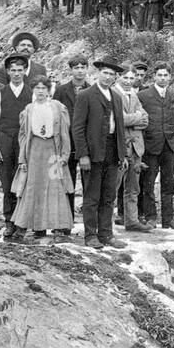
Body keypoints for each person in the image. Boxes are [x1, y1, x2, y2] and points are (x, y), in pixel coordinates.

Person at [71, 58, 129, 249]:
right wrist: (83, 155)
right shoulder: (85, 95)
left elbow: (120, 128)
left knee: (109, 195)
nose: (108, 77)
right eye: (105, 73)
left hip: (112, 151)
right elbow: (78, 128)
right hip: (93, 152)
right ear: (98, 73)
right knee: (92, 195)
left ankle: (106, 234)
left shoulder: (117, 97)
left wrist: (122, 155)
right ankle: (90, 235)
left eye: (112, 74)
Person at [8, 78, 74, 242]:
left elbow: (65, 133)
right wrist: (22, 158)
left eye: (44, 88)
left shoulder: (58, 107)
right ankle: (34, 226)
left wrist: (64, 156)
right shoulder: (28, 109)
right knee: (32, 187)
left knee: (55, 186)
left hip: (53, 150)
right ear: (33, 90)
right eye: (37, 88)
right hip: (35, 151)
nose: (40, 91)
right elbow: (23, 136)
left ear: (49, 90)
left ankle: (58, 227)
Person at [0, 54, 34, 237]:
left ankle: (22, 223)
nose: (16, 74)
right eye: (13, 70)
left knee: (24, 183)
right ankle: (9, 222)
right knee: (7, 184)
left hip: (24, 143)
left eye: (20, 70)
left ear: (25, 71)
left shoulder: (31, 93)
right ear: (7, 72)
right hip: (5, 141)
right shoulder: (0, 93)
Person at [138, 62, 174, 229]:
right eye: (160, 75)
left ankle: (168, 218)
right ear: (154, 76)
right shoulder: (143, 95)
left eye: (166, 75)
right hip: (151, 145)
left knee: (168, 182)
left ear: (170, 77)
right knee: (148, 182)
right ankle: (150, 217)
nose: (163, 78)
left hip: (170, 145)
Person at [116, 64, 156, 233]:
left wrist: (134, 119)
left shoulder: (134, 94)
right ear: (119, 76)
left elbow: (145, 119)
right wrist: (136, 118)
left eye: (132, 78)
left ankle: (131, 221)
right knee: (113, 186)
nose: (129, 81)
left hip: (136, 148)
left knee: (133, 188)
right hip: (120, 147)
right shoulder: (114, 94)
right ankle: (102, 224)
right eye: (126, 77)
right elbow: (120, 119)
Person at [52, 55, 91, 226]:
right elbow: (55, 115)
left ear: (87, 69)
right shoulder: (61, 90)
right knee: (66, 183)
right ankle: (65, 222)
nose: (80, 71)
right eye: (76, 68)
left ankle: (89, 224)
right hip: (66, 143)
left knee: (88, 184)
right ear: (71, 70)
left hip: (85, 144)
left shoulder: (92, 89)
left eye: (83, 67)